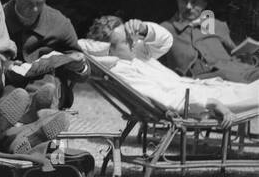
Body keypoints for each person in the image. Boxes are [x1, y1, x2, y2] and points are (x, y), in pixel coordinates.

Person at [84, 15, 258, 119]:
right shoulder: (123, 71)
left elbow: (164, 41)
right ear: (107, 49)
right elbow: (166, 99)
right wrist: (209, 103)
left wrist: (144, 29)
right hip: (201, 98)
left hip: (204, 89)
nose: (132, 41)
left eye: (130, 37)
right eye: (124, 41)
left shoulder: (136, 55)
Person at [3, 0, 86, 108]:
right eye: (28, 3)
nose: (35, 9)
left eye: (40, 3)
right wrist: (5, 66)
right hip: (9, 84)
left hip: (50, 86)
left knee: (48, 88)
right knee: (9, 98)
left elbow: (82, 67)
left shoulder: (59, 22)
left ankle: (37, 116)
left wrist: (79, 66)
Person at [158, 0, 259, 84]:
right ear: (178, 2)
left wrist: (246, 57)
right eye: (184, 1)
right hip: (200, 79)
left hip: (235, 71)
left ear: (204, 5)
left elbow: (235, 53)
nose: (188, 6)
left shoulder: (217, 25)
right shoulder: (166, 28)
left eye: (194, 2)